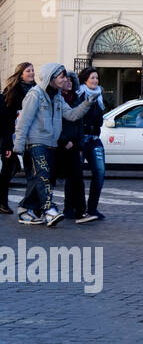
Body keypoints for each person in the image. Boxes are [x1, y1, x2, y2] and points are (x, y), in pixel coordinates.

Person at [12, 64, 97, 227]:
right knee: (43, 174)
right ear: (51, 77)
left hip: (51, 144)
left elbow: (71, 115)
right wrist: (19, 144)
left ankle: (25, 209)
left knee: (40, 178)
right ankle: (49, 211)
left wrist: (86, 104)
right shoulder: (35, 94)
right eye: (62, 76)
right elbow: (24, 121)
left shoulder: (58, 97)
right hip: (36, 142)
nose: (65, 80)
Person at [0, 62, 35, 214]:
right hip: (13, 136)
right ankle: (2, 203)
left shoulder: (36, 90)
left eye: (33, 70)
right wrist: (7, 144)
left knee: (29, 170)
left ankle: (31, 204)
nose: (32, 73)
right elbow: (6, 119)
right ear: (21, 74)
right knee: (9, 169)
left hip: (31, 136)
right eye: (28, 70)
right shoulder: (12, 92)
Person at [74, 68, 107, 223]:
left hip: (94, 139)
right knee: (75, 176)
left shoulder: (99, 96)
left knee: (99, 172)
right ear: (85, 79)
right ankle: (72, 208)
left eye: (97, 78)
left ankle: (92, 208)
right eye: (92, 77)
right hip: (80, 140)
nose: (95, 80)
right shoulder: (79, 95)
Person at [55, 72, 87, 223]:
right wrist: (63, 140)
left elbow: (80, 123)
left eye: (71, 80)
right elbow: (53, 123)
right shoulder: (56, 98)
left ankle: (79, 210)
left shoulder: (77, 99)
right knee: (51, 177)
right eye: (65, 80)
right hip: (59, 143)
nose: (68, 82)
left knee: (76, 178)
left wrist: (79, 145)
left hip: (74, 144)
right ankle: (40, 208)